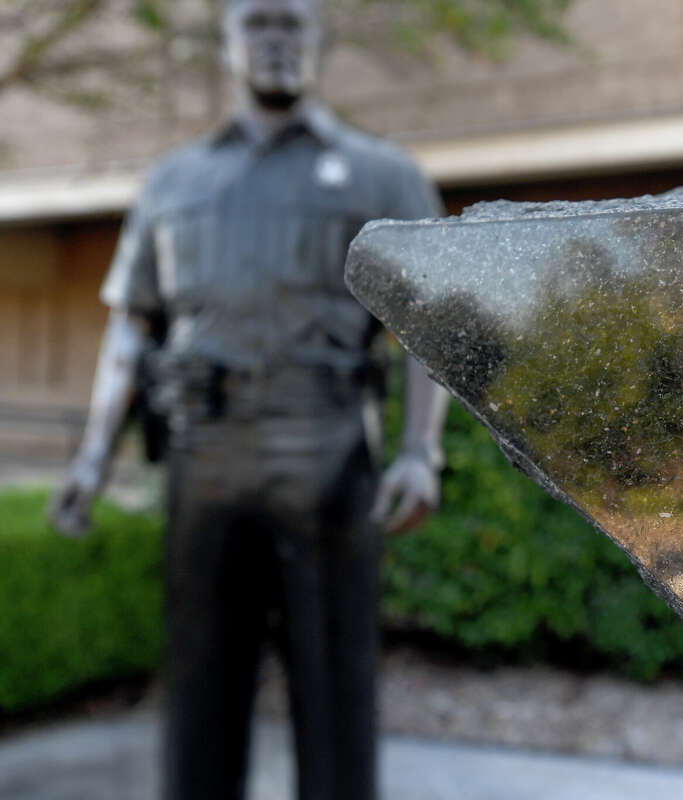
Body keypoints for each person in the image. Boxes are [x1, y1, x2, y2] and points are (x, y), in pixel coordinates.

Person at [46, 0, 448, 797]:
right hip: (204, 466)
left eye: (291, 25)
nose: (275, 42)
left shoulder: (383, 174)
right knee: (200, 694)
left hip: (327, 460)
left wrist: (419, 450)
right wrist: (92, 457)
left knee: (335, 696)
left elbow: (430, 322)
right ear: (226, 44)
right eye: (256, 25)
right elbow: (132, 326)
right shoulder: (173, 181)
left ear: (319, 42)